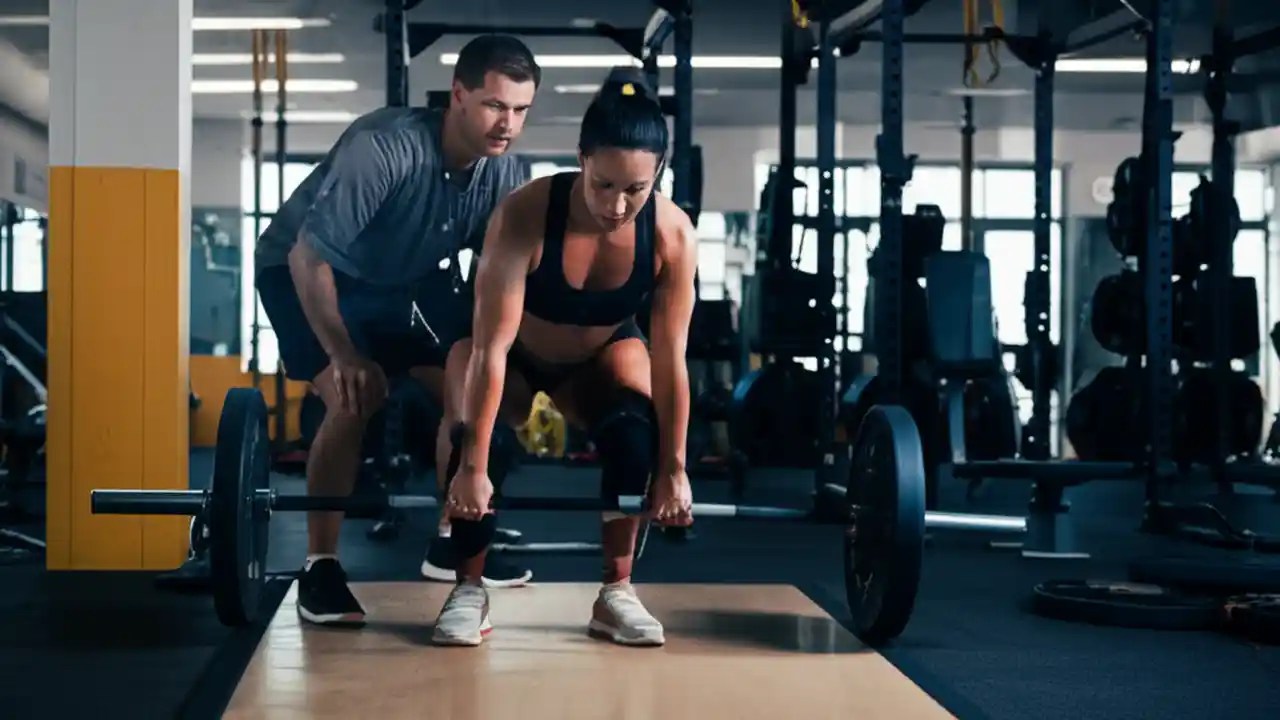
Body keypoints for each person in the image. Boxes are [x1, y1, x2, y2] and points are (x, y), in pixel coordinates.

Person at [253, 35, 539, 627]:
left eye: (520, 110)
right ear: (458, 95)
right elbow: (311, 258)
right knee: (357, 396)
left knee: (472, 383)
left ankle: (449, 538)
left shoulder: (502, 170)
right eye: (493, 106)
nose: (506, 124)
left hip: (400, 279)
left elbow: (496, 272)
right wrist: (344, 353)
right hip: (301, 271)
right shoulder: (383, 150)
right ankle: (320, 566)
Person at [431, 79, 700, 647]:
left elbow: (671, 357)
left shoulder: (672, 233)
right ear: (581, 160)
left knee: (635, 431)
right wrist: (473, 465)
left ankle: (617, 593)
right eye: (603, 185)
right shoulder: (525, 215)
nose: (617, 205)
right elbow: (491, 349)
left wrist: (674, 467)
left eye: (636, 189)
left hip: (597, 361)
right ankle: (468, 589)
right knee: (476, 438)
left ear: (658, 178)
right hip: (516, 356)